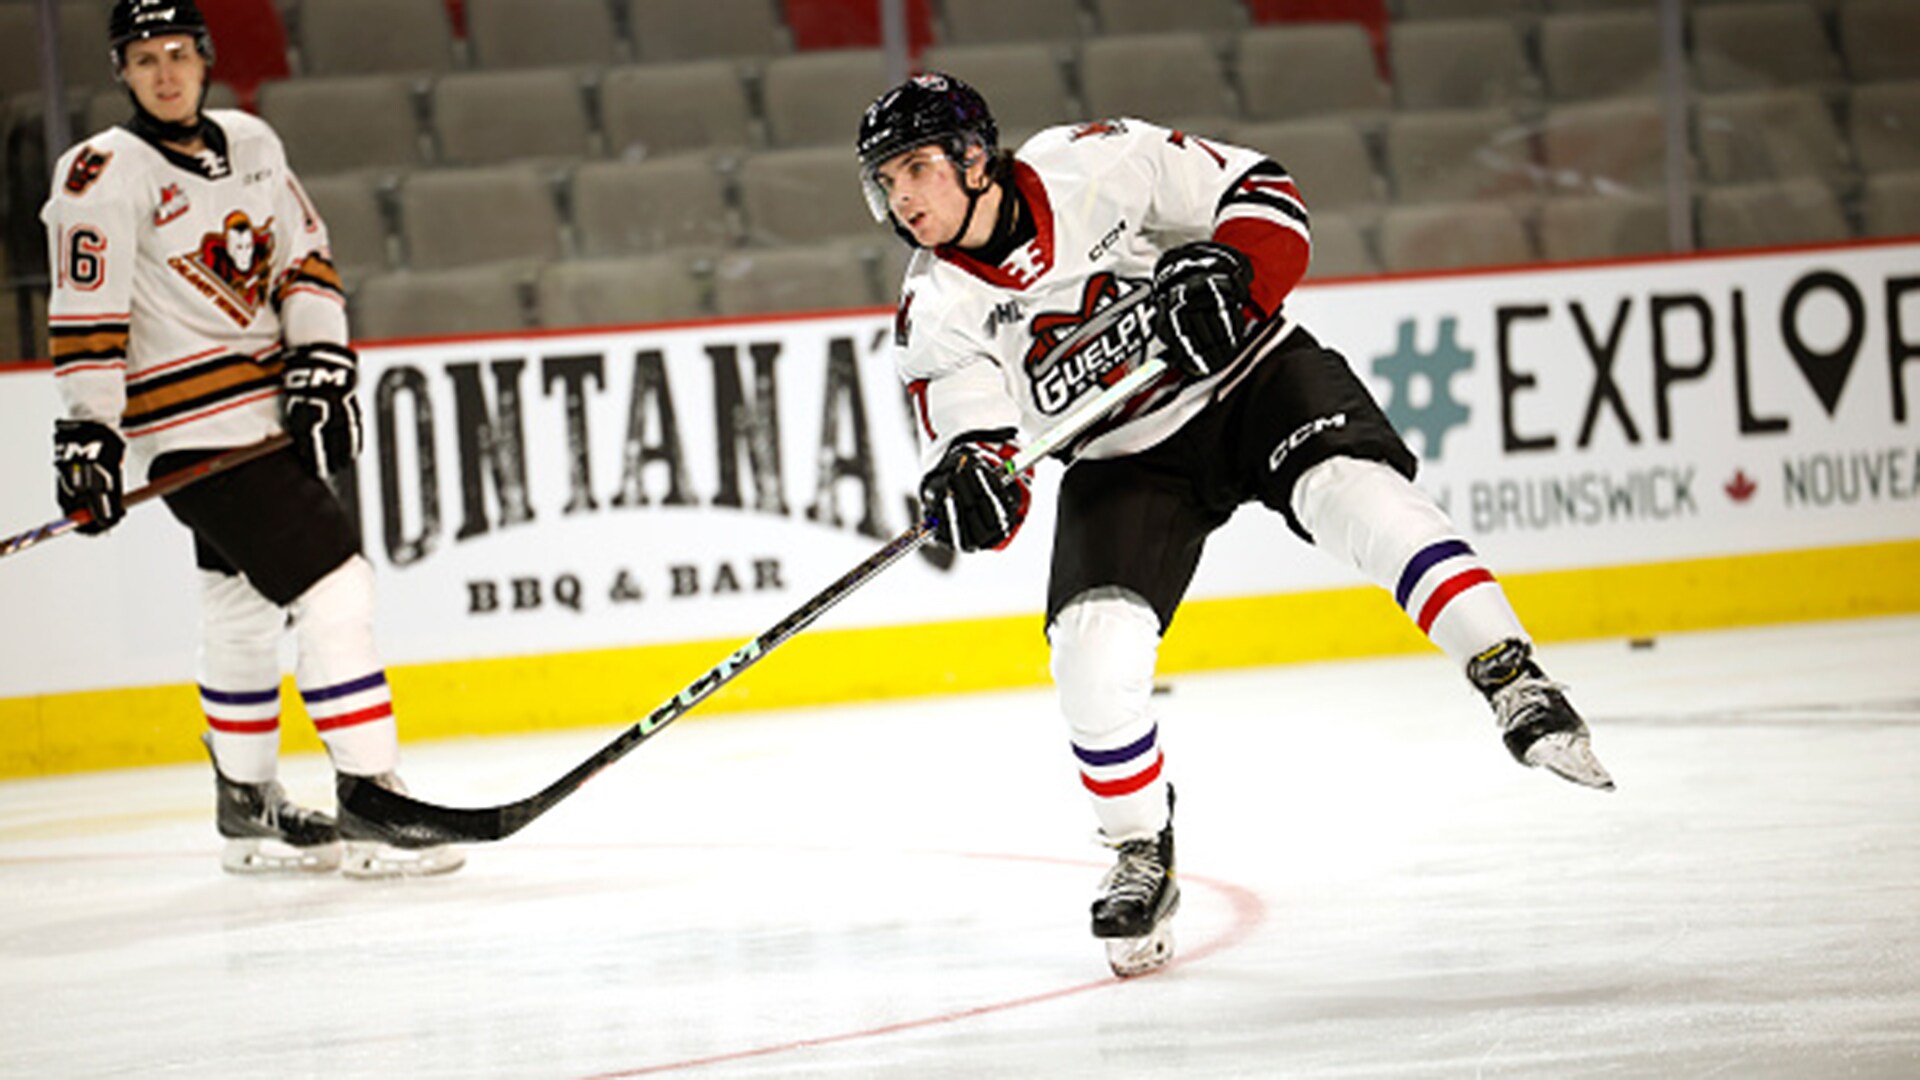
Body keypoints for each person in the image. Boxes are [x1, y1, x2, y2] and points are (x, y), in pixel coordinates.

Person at [856, 74, 1612, 977]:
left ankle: (1512, 676)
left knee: (1360, 497)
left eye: (916, 168)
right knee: (1091, 648)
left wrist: (1232, 272)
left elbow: (1263, 193)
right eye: (886, 181)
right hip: (1123, 455)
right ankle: (1140, 848)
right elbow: (984, 458)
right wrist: (974, 486)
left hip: (1250, 380)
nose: (902, 198)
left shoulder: (1095, 162)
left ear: (975, 157)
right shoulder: (935, 313)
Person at [41, 0, 461, 879]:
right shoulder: (100, 173)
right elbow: (88, 314)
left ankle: (247, 806)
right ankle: (373, 804)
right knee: (336, 588)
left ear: (205, 59)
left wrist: (318, 361)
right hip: (190, 432)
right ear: (121, 73)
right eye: (144, 58)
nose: (165, 73)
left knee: (240, 606)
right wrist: (87, 432)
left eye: (178, 54)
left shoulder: (253, 143)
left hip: (266, 421)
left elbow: (305, 257)